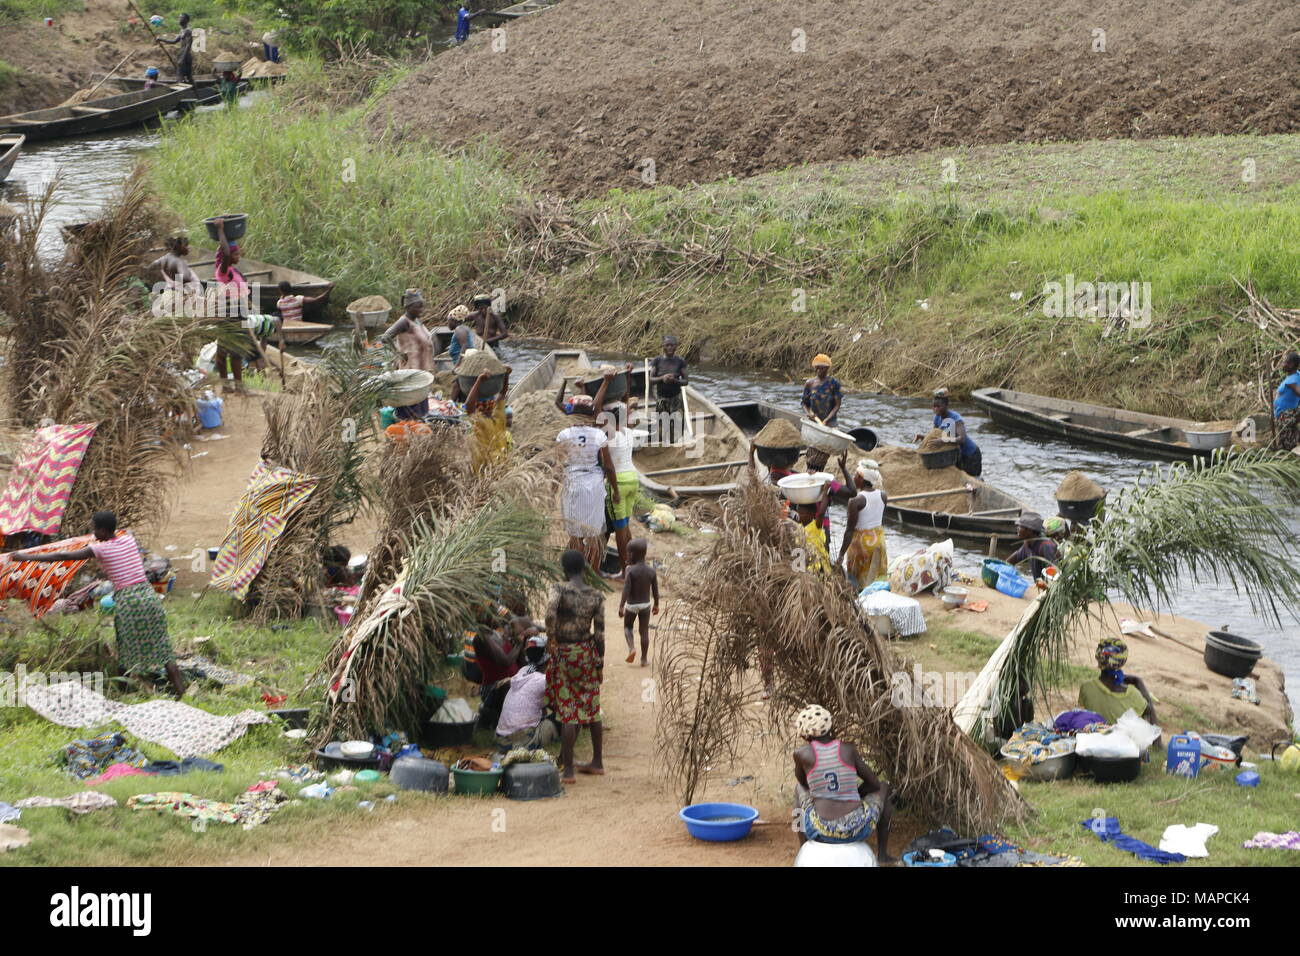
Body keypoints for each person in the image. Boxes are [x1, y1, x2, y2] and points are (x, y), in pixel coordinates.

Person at [12, 511, 186, 698]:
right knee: (164, 649)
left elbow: (61, 555)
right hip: (149, 596)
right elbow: (116, 535)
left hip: (129, 602)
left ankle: (124, 693)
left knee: (126, 648)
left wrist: (25, 557)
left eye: (94, 528)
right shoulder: (128, 539)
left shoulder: (99, 549)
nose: (92, 532)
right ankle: (182, 693)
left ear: (103, 531)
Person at [792, 704, 893, 859]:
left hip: (820, 830)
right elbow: (874, 784)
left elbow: (803, 782)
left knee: (798, 789)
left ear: (804, 735)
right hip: (858, 830)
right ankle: (883, 853)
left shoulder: (801, 754)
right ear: (830, 726)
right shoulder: (848, 750)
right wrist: (856, 794)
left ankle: (803, 848)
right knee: (884, 786)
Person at [545, 549, 606, 783]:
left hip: (565, 653)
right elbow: (600, 633)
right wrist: (599, 663)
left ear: (564, 569)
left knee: (568, 709)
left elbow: (550, 612)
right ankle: (597, 762)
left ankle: (568, 771)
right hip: (587, 653)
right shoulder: (597, 595)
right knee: (592, 706)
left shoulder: (559, 589)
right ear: (584, 568)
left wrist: (551, 638)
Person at [556, 379, 619, 568]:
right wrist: (615, 490)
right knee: (593, 534)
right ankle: (591, 573)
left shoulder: (564, 434)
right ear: (591, 414)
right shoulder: (599, 435)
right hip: (594, 485)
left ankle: (576, 571)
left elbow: (557, 465)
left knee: (575, 533)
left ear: (572, 414)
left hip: (573, 483)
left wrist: (551, 491)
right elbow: (608, 466)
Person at [596, 364, 639, 576]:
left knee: (621, 531)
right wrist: (627, 378)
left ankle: (625, 572)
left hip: (619, 482)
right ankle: (632, 564)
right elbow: (625, 403)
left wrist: (604, 382)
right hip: (633, 478)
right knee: (624, 525)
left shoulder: (609, 435)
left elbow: (595, 409)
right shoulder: (628, 430)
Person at [211, 217, 258, 392]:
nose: (239, 256)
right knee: (233, 350)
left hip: (237, 312)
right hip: (230, 313)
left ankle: (228, 386)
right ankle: (236, 386)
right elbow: (224, 251)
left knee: (226, 350)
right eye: (236, 254)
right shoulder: (223, 271)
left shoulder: (233, 271)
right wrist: (221, 230)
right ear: (228, 257)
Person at [380, 290, 436, 420]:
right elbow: (385, 338)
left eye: (422, 305)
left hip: (421, 371)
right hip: (410, 371)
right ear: (408, 307)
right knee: (410, 405)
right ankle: (406, 430)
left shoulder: (417, 321)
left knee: (420, 405)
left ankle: (418, 430)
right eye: (418, 306)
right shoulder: (404, 322)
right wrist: (397, 353)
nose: (422, 309)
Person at [1078, 638, 1157, 724]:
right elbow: (1149, 712)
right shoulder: (1132, 695)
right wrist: (1139, 682)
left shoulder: (1086, 688)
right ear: (1123, 661)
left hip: (1094, 734)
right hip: (1120, 737)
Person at [495, 635, 553, 751]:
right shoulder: (542, 680)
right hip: (519, 743)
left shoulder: (522, 672)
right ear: (548, 660)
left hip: (500, 740)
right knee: (559, 720)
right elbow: (557, 706)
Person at [837, 460, 888, 588]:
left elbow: (849, 530)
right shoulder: (883, 495)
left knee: (858, 585)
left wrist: (841, 554)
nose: (853, 477)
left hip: (861, 547)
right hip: (879, 544)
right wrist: (844, 468)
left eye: (855, 475)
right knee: (876, 583)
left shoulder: (855, 501)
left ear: (861, 478)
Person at [923, 388, 982, 476]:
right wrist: (923, 437)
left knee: (972, 479)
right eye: (934, 406)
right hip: (957, 454)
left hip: (970, 454)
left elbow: (962, 439)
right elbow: (935, 435)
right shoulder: (937, 418)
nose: (936, 409)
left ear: (946, 405)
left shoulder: (956, 419)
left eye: (939, 406)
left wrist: (943, 441)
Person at [618, 538, 658, 665]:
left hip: (631, 605)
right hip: (646, 605)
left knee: (628, 628)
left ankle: (632, 648)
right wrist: (656, 604)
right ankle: (644, 659)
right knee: (644, 632)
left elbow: (626, 588)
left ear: (632, 554)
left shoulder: (630, 569)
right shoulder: (651, 571)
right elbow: (655, 591)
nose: (628, 555)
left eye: (629, 552)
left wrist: (621, 606)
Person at [787, 480, 833, 574]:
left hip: (818, 567)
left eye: (803, 513)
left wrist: (825, 491)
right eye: (799, 512)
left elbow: (821, 513)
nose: (800, 515)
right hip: (804, 567)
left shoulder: (815, 526)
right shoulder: (798, 527)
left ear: (812, 514)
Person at [649, 335, 688, 444]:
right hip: (662, 399)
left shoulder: (680, 361)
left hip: (676, 398)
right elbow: (651, 380)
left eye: (672, 345)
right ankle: (663, 445)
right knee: (661, 425)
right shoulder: (657, 361)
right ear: (663, 346)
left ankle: (676, 444)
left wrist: (674, 380)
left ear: (676, 346)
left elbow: (686, 381)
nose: (670, 348)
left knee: (677, 425)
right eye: (667, 345)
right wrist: (662, 378)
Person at [1007, 512, 1058, 582]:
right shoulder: (1028, 544)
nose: (1017, 528)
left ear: (1030, 531)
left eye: (1020, 527)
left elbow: (1055, 573)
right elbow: (1013, 560)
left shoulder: (1046, 546)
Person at [801, 354, 843, 427]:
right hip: (813, 420)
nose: (818, 370)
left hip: (830, 421)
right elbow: (804, 403)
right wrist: (809, 414)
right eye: (817, 368)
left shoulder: (833, 383)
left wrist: (827, 419)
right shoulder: (809, 383)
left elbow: (837, 405)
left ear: (827, 368)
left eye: (821, 368)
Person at [1271, 351, 1300, 451]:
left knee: (1286, 448)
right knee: (1290, 440)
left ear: (1291, 365)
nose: (1282, 365)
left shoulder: (1292, 381)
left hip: (1286, 417)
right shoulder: (1296, 375)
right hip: (1284, 416)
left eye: (1284, 362)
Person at [157, 12, 194, 85]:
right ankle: (188, 89)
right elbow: (174, 41)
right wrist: (161, 39)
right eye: (179, 18)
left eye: (181, 18)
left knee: (184, 75)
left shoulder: (188, 31)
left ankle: (183, 90)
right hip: (182, 54)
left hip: (185, 55)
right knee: (183, 74)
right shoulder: (182, 31)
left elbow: (188, 45)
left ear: (187, 20)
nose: (179, 20)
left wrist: (182, 58)